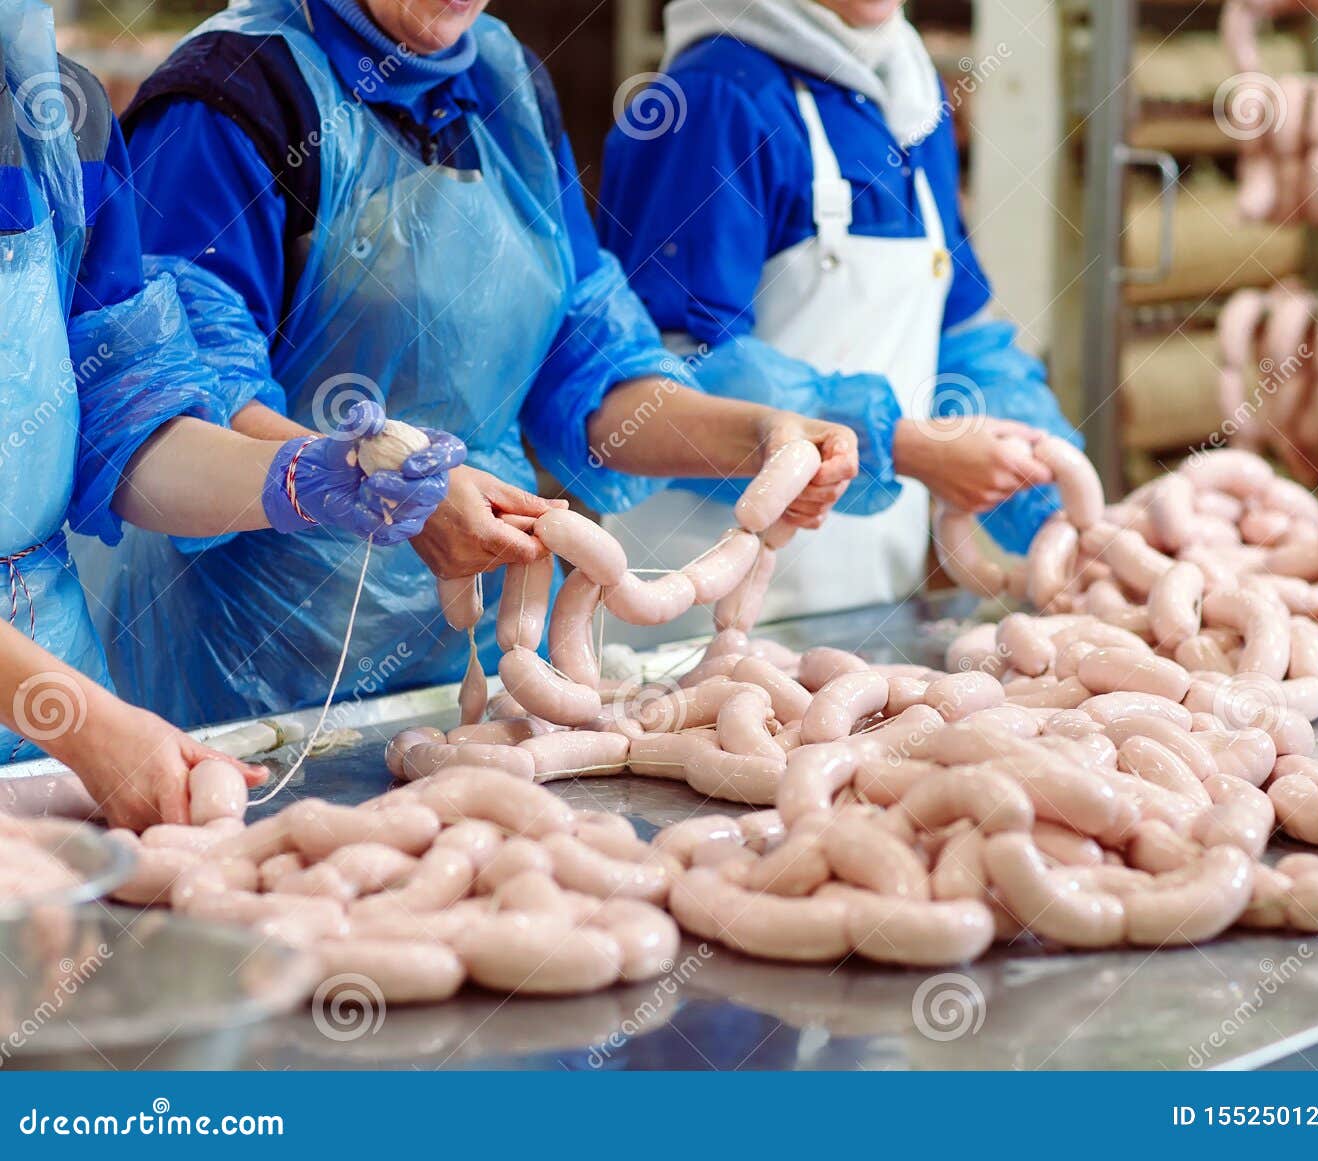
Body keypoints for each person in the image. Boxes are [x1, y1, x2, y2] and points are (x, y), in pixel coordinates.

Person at [100, 0, 859, 728]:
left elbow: (591, 369)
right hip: (258, 670)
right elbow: (191, 410)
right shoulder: (231, 98)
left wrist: (755, 436)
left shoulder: (506, 86)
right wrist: (382, 485)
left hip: (492, 663)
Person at [2, 0, 457, 825]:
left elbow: (133, 430)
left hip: (53, 705)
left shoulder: (60, 118)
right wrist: (85, 725)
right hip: (65, 717)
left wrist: (305, 475)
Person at [599, 0, 1082, 629]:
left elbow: (959, 343)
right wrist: (900, 445)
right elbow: (667, 377)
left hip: (871, 599)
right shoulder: (713, 96)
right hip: (701, 603)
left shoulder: (909, 98)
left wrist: (1055, 503)